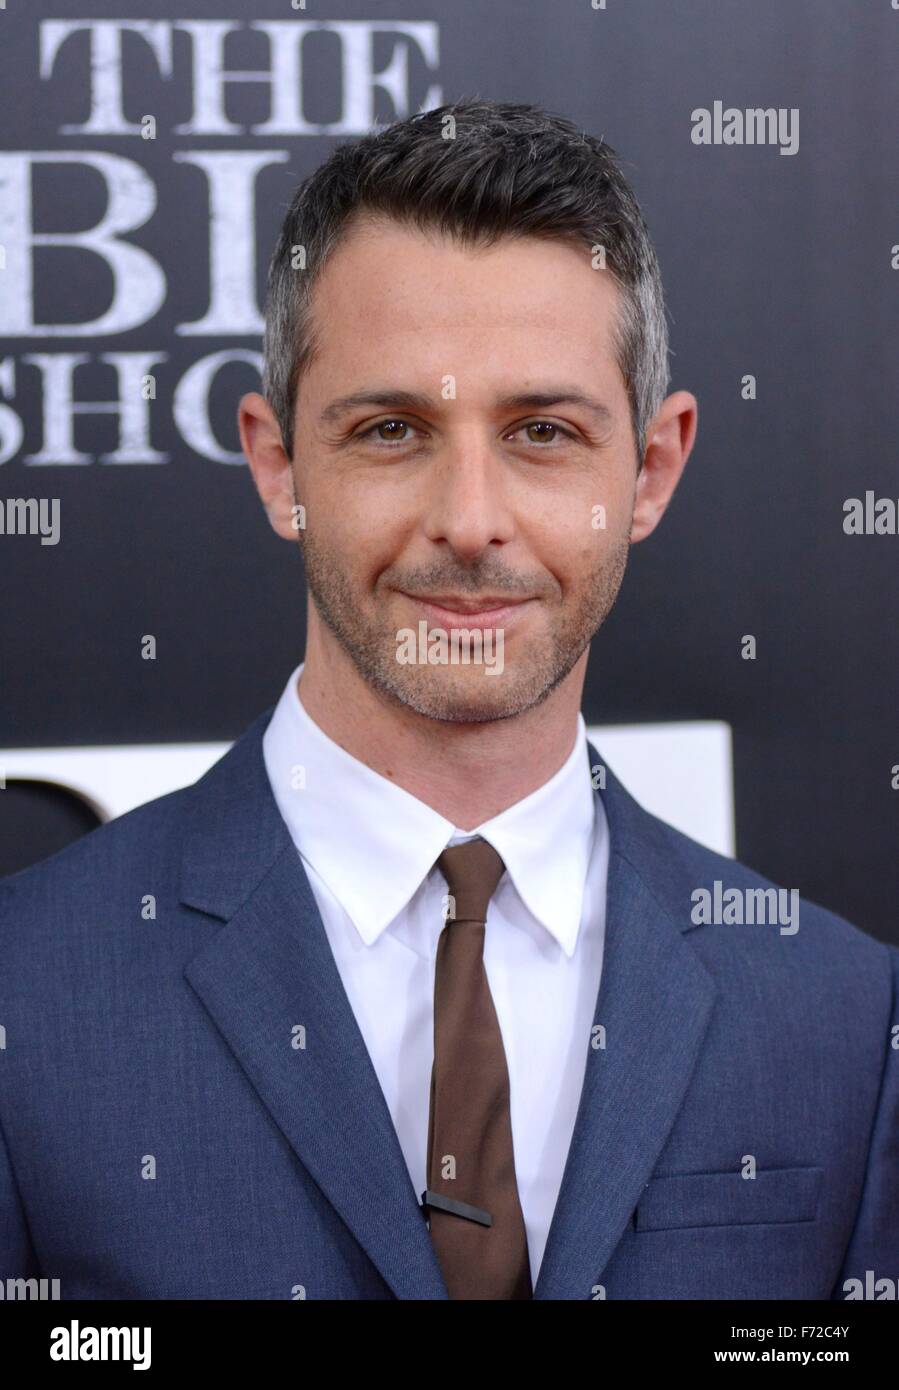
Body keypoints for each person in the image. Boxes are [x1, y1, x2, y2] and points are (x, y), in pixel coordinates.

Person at [0, 99, 896, 1301]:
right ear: (277, 466)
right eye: (389, 429)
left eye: (540, 429)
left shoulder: (841, 1017)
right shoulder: (27, 992)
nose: (468, 520)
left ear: (650, 467)